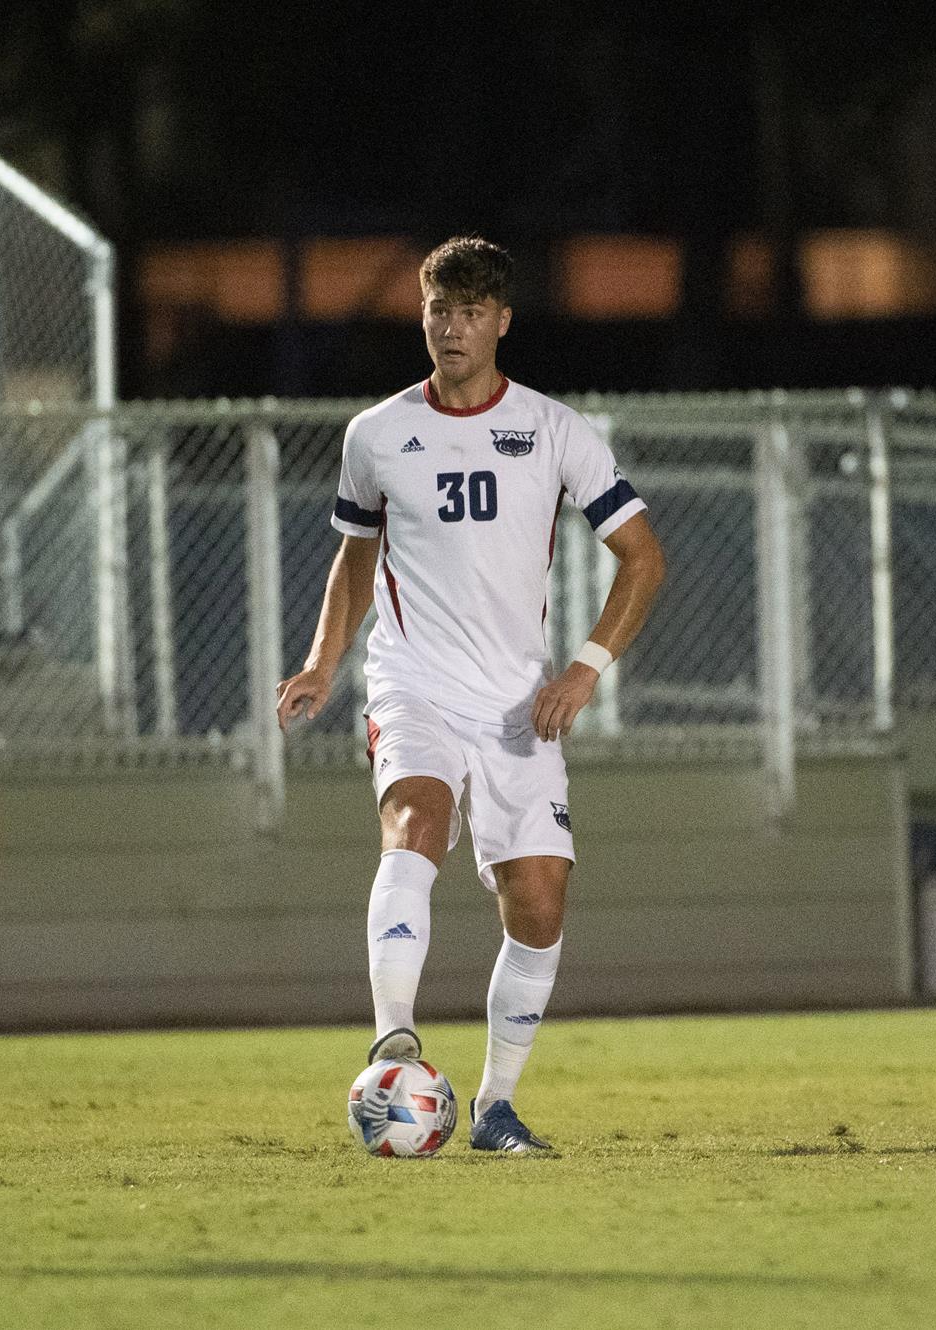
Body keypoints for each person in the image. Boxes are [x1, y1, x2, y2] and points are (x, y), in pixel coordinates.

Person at [277, 237, 665, 1154]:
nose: (451, 329)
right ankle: (393, 1043)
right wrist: (326, 661)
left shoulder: (554, 430)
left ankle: (494, 1108)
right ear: (422, 315)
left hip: (517, 704)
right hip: (411, 682)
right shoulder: (376, 434)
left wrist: (585, 668)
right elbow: (355, 557)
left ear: (501, 322)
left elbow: (644, 559)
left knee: (539, 900)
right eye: (437, 312)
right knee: (415, 820)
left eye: (470, 313)